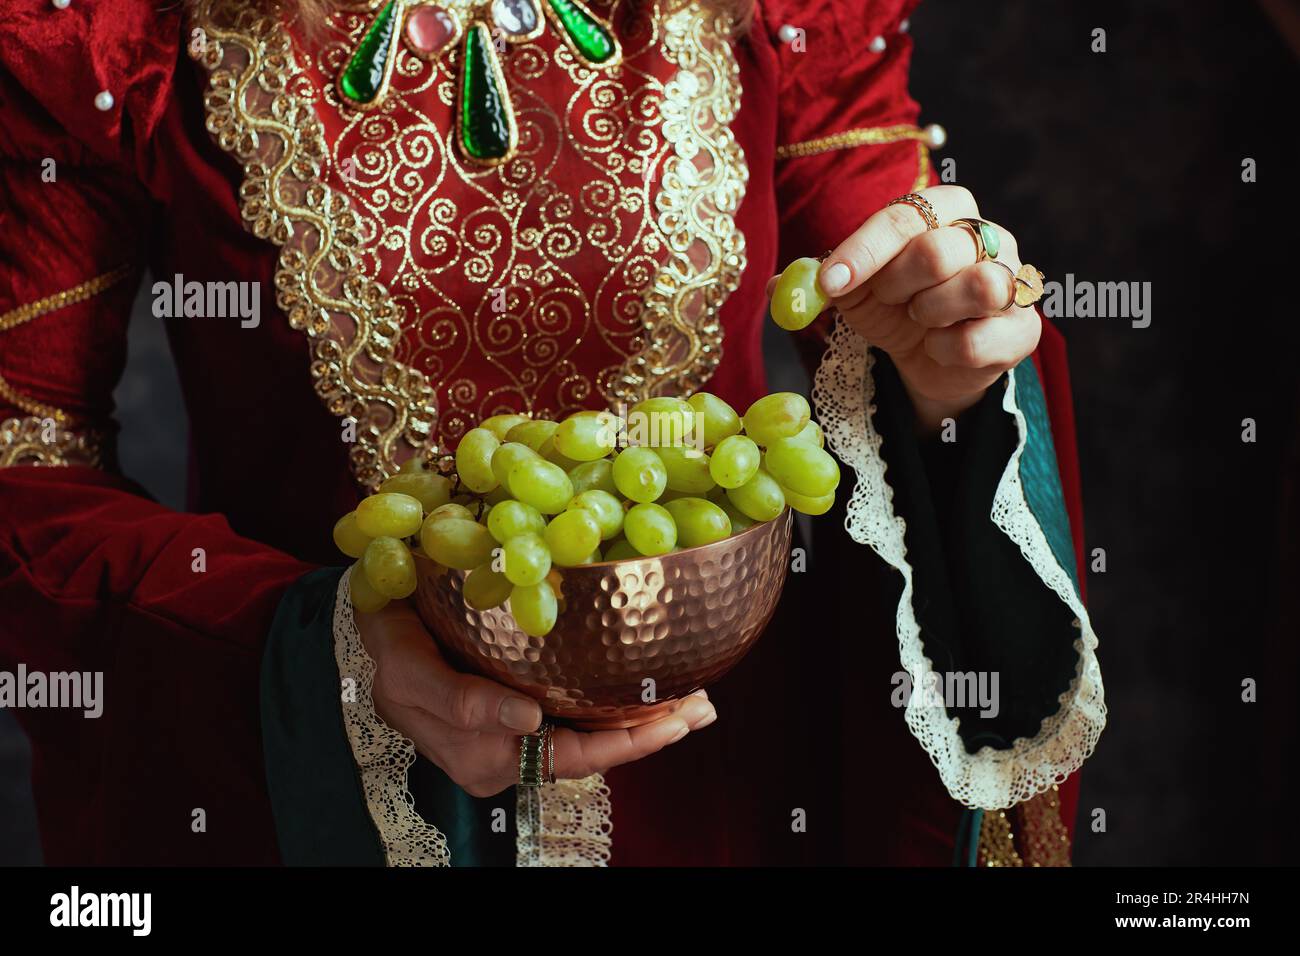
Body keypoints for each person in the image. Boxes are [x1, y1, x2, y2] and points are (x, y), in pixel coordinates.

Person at [0, 0, 1103, 866]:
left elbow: (897, 298)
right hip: (339, 816)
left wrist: (946, 362)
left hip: (730, 798)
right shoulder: (110, 32)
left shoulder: (784, 8)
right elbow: (24, 458)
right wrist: (318, 653)